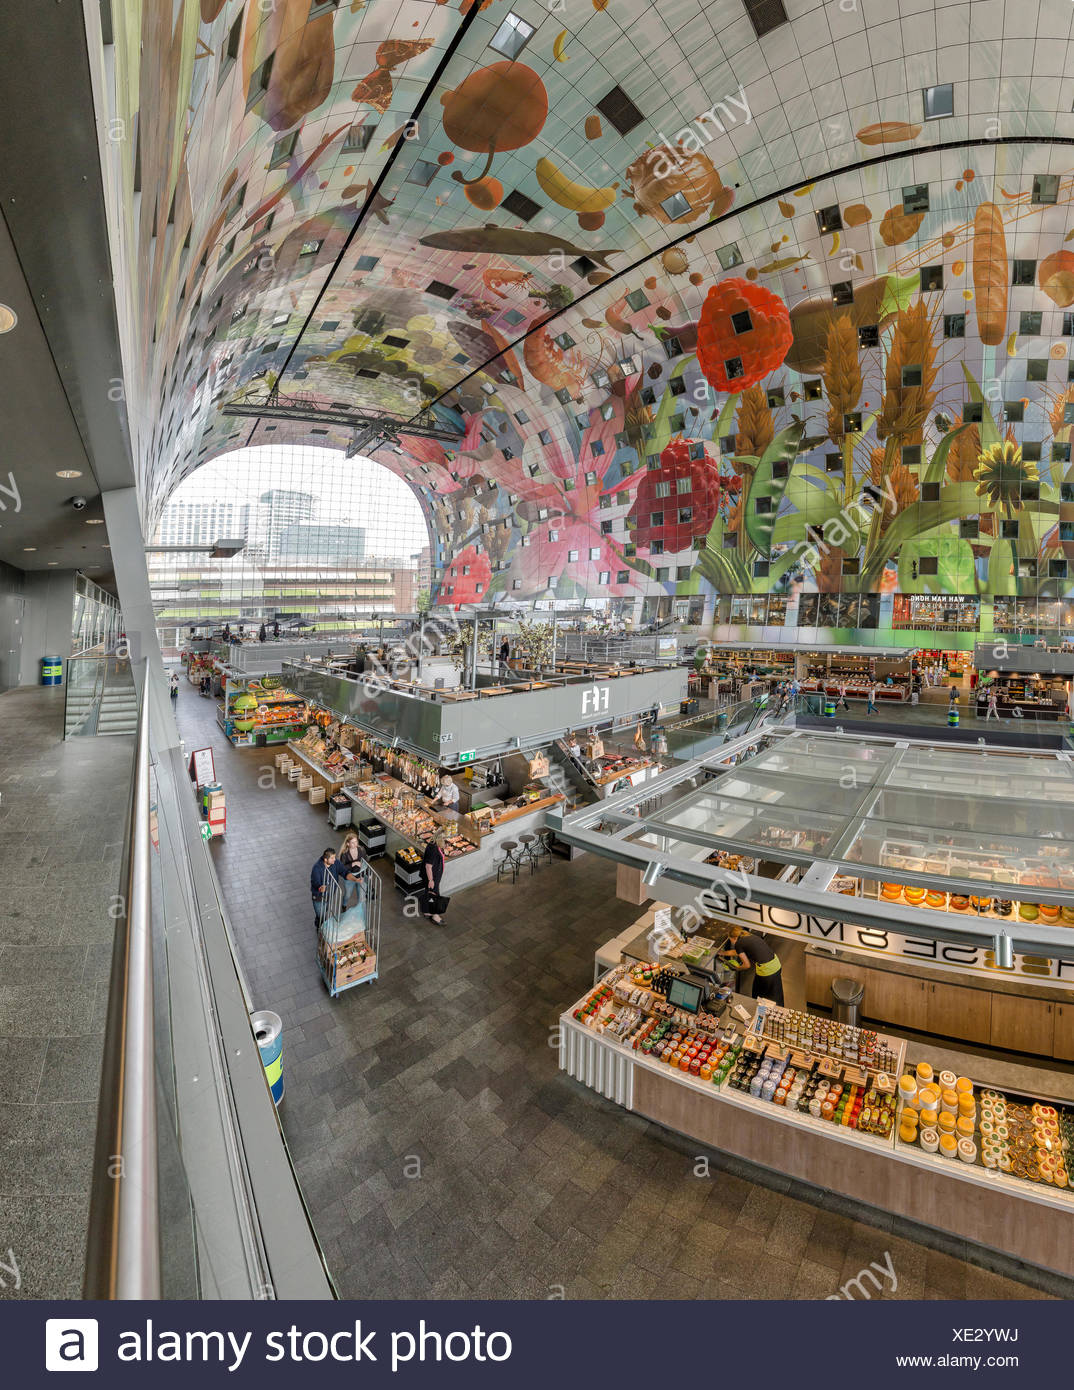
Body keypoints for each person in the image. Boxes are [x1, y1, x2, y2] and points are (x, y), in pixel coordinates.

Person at [720, 924, 784, 1004]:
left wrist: (737, 968)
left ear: (734, 938)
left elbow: (747, 965)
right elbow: (738, 952)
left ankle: (759, 1011)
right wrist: (722, 953)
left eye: (730, 940)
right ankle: (778, 1012)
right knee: (776, 994)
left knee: (759, 995)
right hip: (776, 964)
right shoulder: (749, 936)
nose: (731, 942)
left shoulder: (738, 943)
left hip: (766, 971)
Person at [310, 848, 339, 929]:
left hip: (328, 895)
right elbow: (315, 882)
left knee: (324, 911)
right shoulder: (317, 868)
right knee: (321, 916)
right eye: (332, 858)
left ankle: (319, 922)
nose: (334, 860)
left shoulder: (334, 864)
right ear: (326, 859)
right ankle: (320, 928)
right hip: (318, 897)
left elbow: (343, 871)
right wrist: (320, 887)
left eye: (334, 857)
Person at [421, 834, 447, 924]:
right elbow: (428, 866)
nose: (445, 840)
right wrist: (431, 880)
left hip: (432, 876)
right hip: (432, 877)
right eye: (444, 839)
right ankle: (435, 916)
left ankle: (427, 911)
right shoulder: (434, 849)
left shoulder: (433, 844)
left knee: (428, 892)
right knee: (435, 894)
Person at [337, 832, 365, 909]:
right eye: (352, 842)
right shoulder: (344, 853)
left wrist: (367, 875)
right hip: (350, 877)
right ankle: (344, 905)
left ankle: (359, 911)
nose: (355, 844)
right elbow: (342, 868)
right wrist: (353, 864)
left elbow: (365, 863)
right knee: (347, 895)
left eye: (356, 842)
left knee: (361, 896)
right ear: (348, 844)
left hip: (360, 876)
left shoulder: (361, 850)